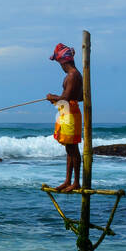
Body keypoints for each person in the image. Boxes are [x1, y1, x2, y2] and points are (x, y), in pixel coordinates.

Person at [46, 43, 83, 192]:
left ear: (63, 61)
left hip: (71, 113)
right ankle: (68, 180)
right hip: (67, 112)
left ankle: (75, 182)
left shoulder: (73, 75)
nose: (60, 66)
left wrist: (52, 97)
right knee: (69, 148)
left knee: (73, 149)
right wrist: (57, 99)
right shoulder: (73, 75)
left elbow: (66, 98)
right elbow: (78, 96)